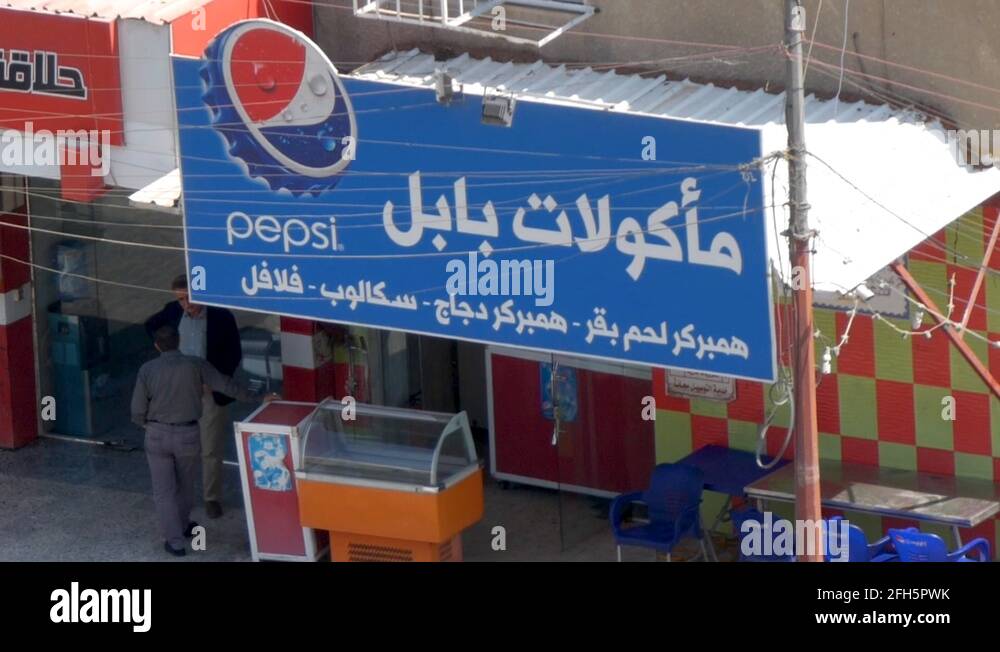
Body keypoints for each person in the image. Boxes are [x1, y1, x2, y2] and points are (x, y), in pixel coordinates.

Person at [132, 325, 262, 556]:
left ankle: (175, 542)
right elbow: (226, 386)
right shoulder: (196, 364)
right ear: (179, 341)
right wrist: (259, 397)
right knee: (185, 485)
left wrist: (146, 424)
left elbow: (137, 409)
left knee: (164, 491)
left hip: (156, 434)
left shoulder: (147, 369)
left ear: (156, 346)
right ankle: (182, 526)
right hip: (188, 434)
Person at [145, 274, 242, 519]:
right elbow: (149, 326)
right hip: (179, 393)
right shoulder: (171, 312)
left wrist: (216, 380)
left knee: (210, 448)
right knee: (179, 446)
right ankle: (180, 495)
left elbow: (234, 353)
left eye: (189, 297)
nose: (186, 304)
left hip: (208, 393)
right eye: (180, 299)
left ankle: (211, 497)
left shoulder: (220, 316)